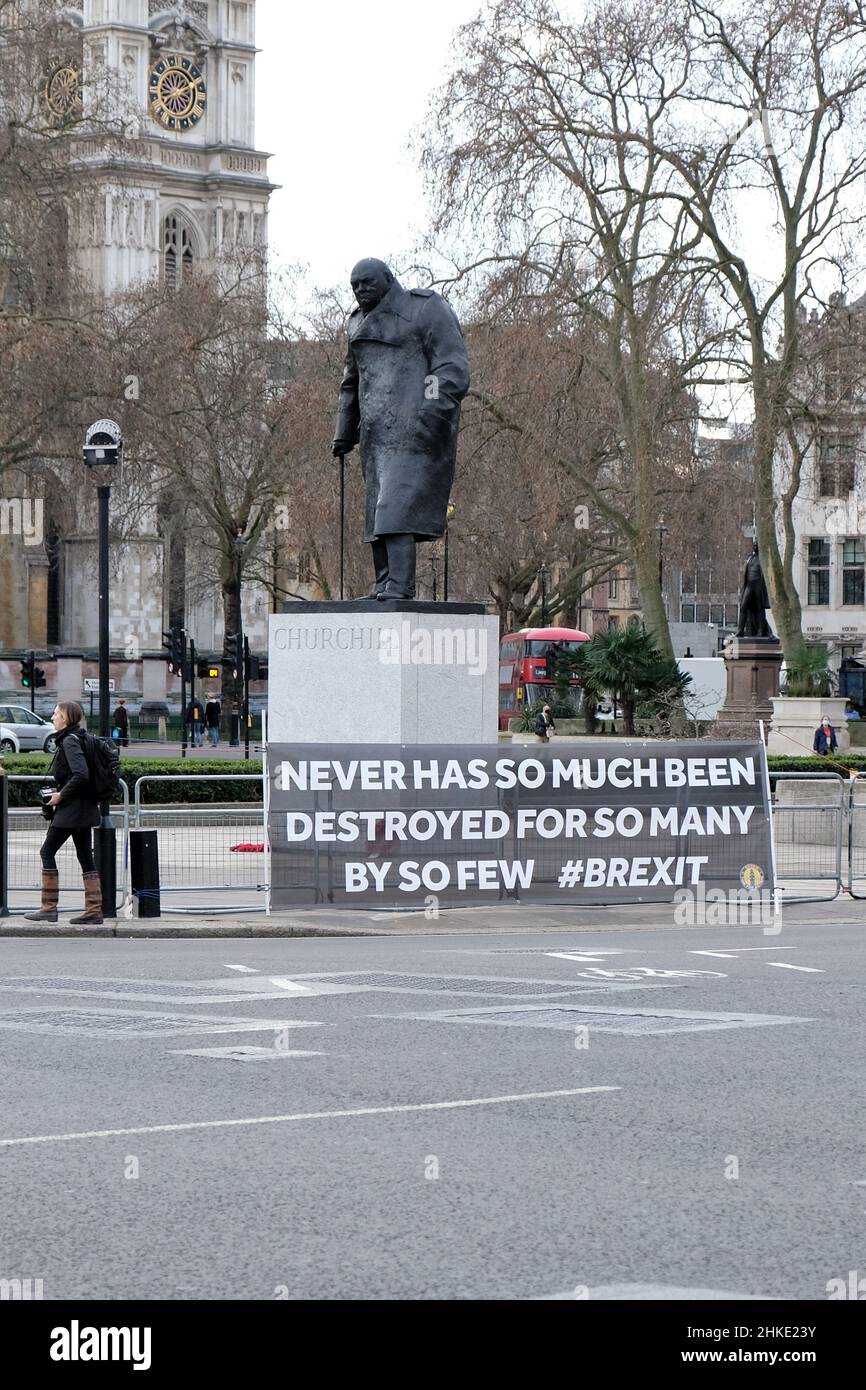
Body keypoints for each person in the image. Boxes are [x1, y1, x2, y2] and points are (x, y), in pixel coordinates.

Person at [332, 257, 470, 600]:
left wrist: (430, 410)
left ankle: (400, 587)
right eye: (355, 286)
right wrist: (344, 431)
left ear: (389, 279)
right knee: (377, 513)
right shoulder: (356, 325)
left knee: (395, 508)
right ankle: (384, 585)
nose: (361, 290)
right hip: (375, 434)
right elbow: (351, 382)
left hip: (415, 428)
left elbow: (449, 367)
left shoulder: (425, 309)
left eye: (367, 283)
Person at [23, 701, 102, 924]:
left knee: (47, 852)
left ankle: (49, 908)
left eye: (56, 714)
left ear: (66, 718)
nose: (52, 717)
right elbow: (78, 776)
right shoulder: (78, 737)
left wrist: (60, 796)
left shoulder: (69, 741)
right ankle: (94, 910)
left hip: (72, 810)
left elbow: (81, 774)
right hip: (84, 808)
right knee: (85, 857)